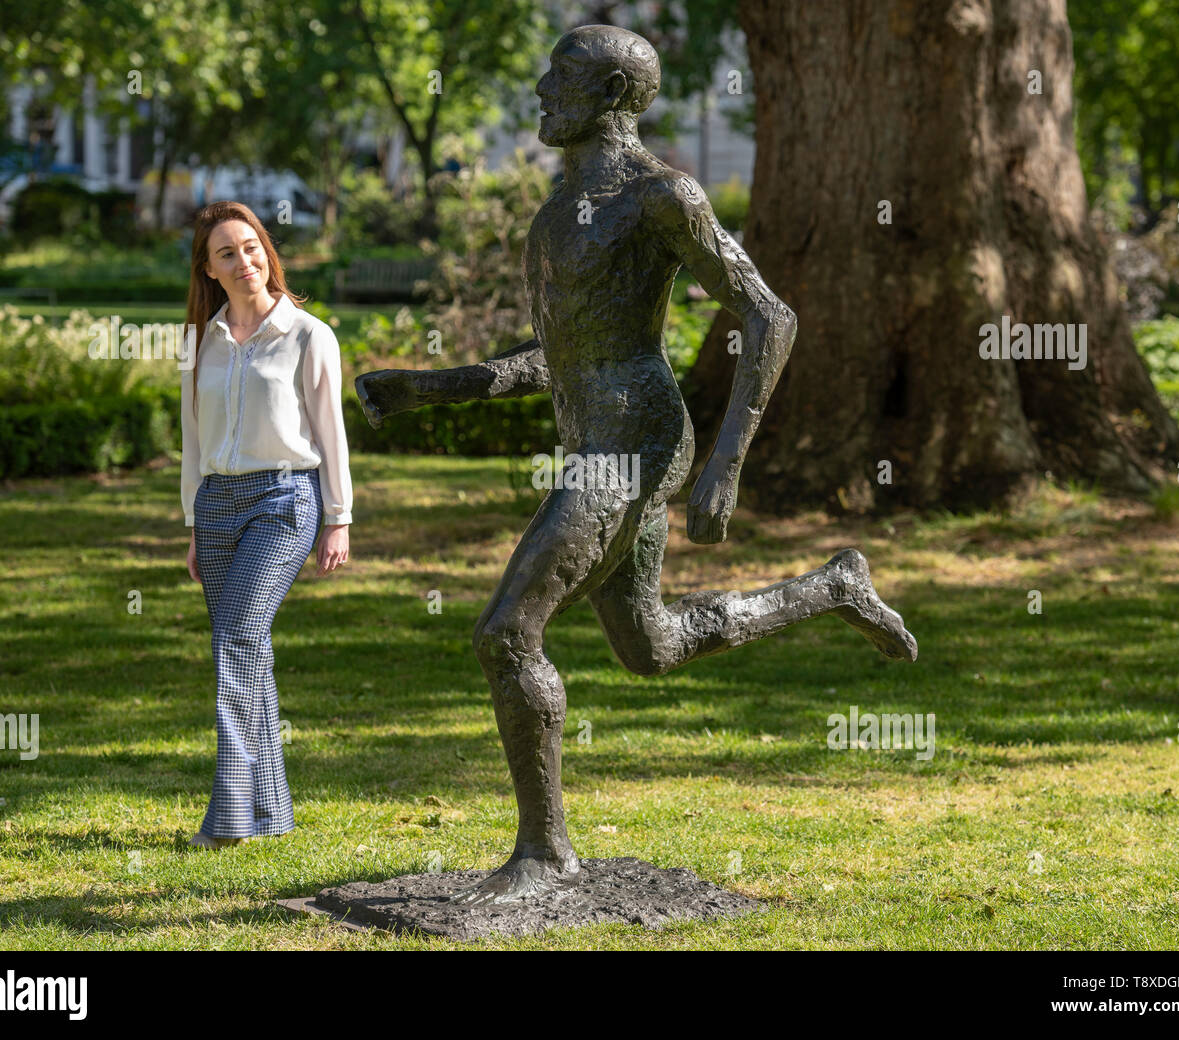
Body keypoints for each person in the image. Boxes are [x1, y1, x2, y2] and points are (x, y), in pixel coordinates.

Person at [355, 25, 917, 904]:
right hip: (593, 441)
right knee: (650, 649)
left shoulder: (664, 197)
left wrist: (725, 464)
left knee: (508, 632)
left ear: (616, 90)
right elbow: (556, 358)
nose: (541, 87)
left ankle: (546, 854)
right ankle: (833, 587)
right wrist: (431, 388)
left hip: (638, 445)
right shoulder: (554, 217)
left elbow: (770, 315)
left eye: (563, 73)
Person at [180, 200, 353, 849]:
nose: (245, 261)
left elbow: (331, 437)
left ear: (267, 253)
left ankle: (227, 817)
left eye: (252, 247)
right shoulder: (199, 342)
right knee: (248, 652)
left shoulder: (310, 335)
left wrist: (338, 519)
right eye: (228, 252)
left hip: (284, 502)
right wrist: (193, 524)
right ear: (209, 268)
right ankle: (269, 812)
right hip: (217, 507)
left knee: (235, 643)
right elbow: (192, 441)